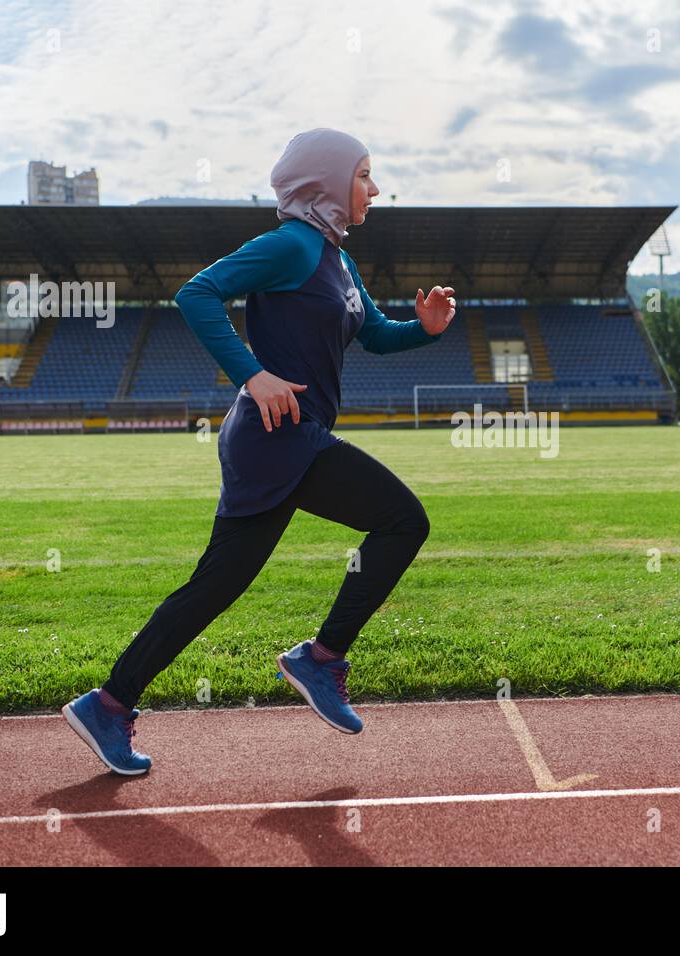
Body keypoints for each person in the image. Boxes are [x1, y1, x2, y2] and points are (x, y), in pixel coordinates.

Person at [63, 128, 456, 775]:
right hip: (280, 439)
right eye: (364, 176)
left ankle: (108, 705)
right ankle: (323, 659)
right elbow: (198, 293)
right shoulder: (291, 245)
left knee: (214, 588)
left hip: (283, 444)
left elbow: (377, 335)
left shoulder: (335, 257)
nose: (375, 190)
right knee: (403, 520)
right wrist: (253, 372)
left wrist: (427, 330)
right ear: (327, 182)